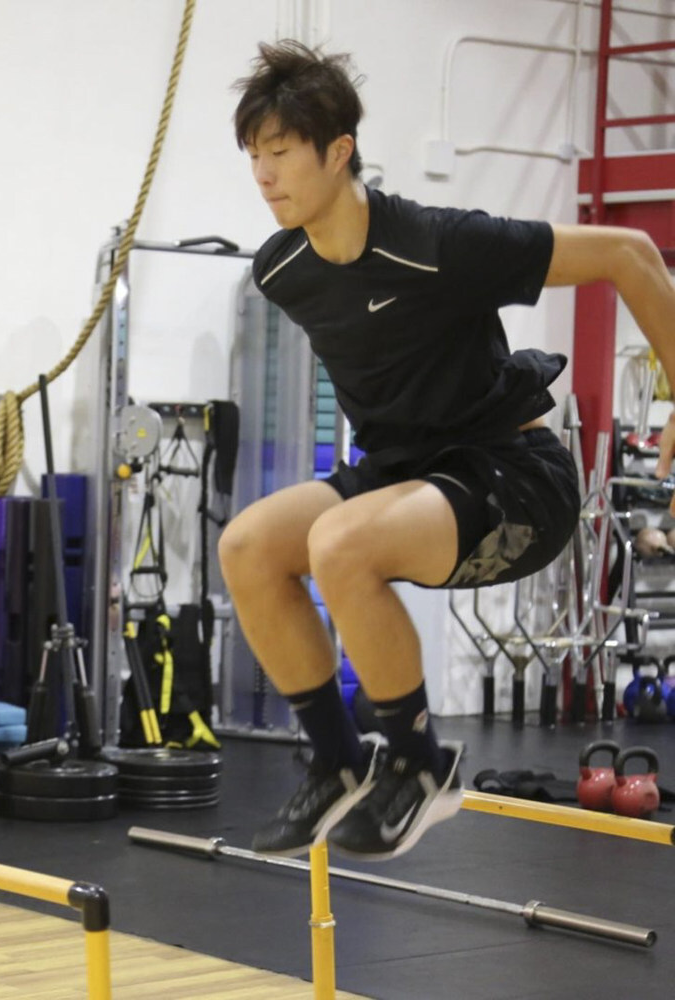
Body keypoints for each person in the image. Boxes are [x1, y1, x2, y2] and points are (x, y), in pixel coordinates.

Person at [218, 39, 675, 861]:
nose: (265, 175)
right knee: (248, 547)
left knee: (338, 544)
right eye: (254, 157)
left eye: (281, 153)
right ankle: (337, 762)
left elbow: (629, 254)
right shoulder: (281, 268)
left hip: (516, 476)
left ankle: (422, 767)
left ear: (339, 151)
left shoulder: (435, 242)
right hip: (403, 472)